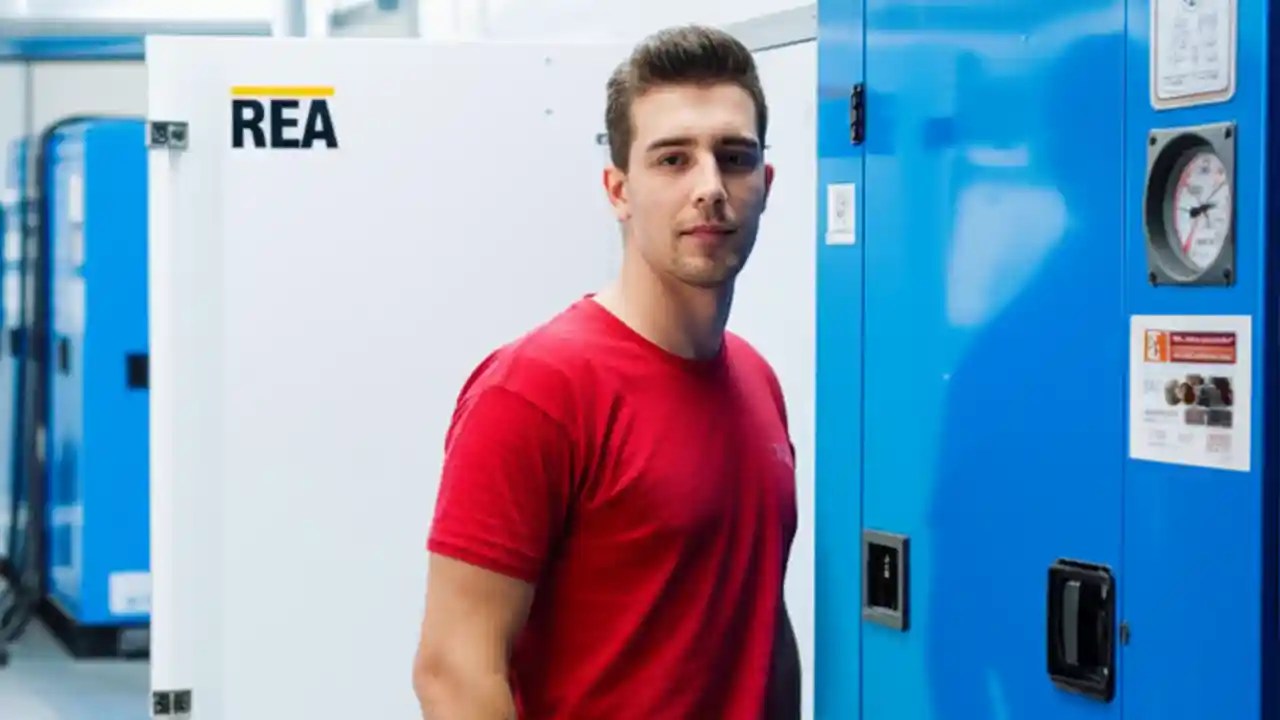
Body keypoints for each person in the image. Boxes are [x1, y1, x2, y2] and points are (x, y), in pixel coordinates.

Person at [412, 24, 800, 720]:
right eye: (673, 160)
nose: (710, 187)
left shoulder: (757, 382)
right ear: (618, 190)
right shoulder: (535, 390)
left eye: (734, 157)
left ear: (765, 184)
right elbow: (454, 672)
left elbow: (761, 625)